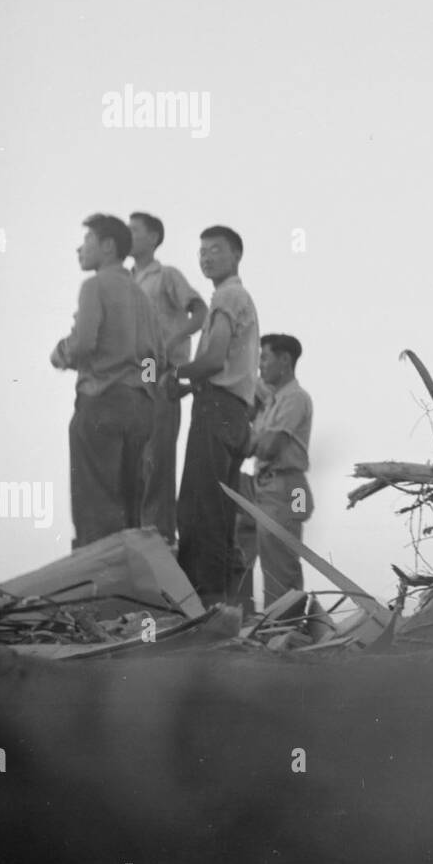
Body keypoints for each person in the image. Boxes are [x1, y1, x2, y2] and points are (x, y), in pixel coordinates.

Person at [50, 214, 161, 547]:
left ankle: (98, 588)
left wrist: (60, 354)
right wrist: (144, 392)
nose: (79, 248)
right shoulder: (142, 297)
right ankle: (128, 590)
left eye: (87, 241)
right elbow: (157, 359)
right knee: (130, 508)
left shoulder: (94, 286)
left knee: (95, 508)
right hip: (139, 409)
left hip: (101, 402)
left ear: (108, 246)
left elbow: (84, 342)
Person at [172, 225, 260, 606]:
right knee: (220, 513)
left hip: (217, 410)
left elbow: (213, 359)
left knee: (199, 508)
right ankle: (225, 603)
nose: (206, 257)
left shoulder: (226, 296)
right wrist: (191, 384)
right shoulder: (241, 297)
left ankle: (202, 605)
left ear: (236, 256)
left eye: (216, 250)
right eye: (202, 251)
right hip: (236, 413)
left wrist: (175, 374)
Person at [128, 212, 206, 544]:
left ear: (153, 237)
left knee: (157, 459)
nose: (128, 236)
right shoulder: (126, 280)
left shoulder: (167, 276)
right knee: (133, 462)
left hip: (160, 374)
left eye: (134, 231)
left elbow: (199, 311)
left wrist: (173, 339)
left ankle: (160, 539)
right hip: (131, 380)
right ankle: (137, 539)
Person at [236, 334, 314, 615]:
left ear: (285, 360)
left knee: (280, 561)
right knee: (265, 555)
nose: (260, 366)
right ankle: (267, 623)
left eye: (265, 358)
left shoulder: (294, 398)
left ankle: (283, 627)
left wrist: (253, 439)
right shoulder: (273, 400)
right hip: (268, 485)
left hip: (288, 486)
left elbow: (269, 447)